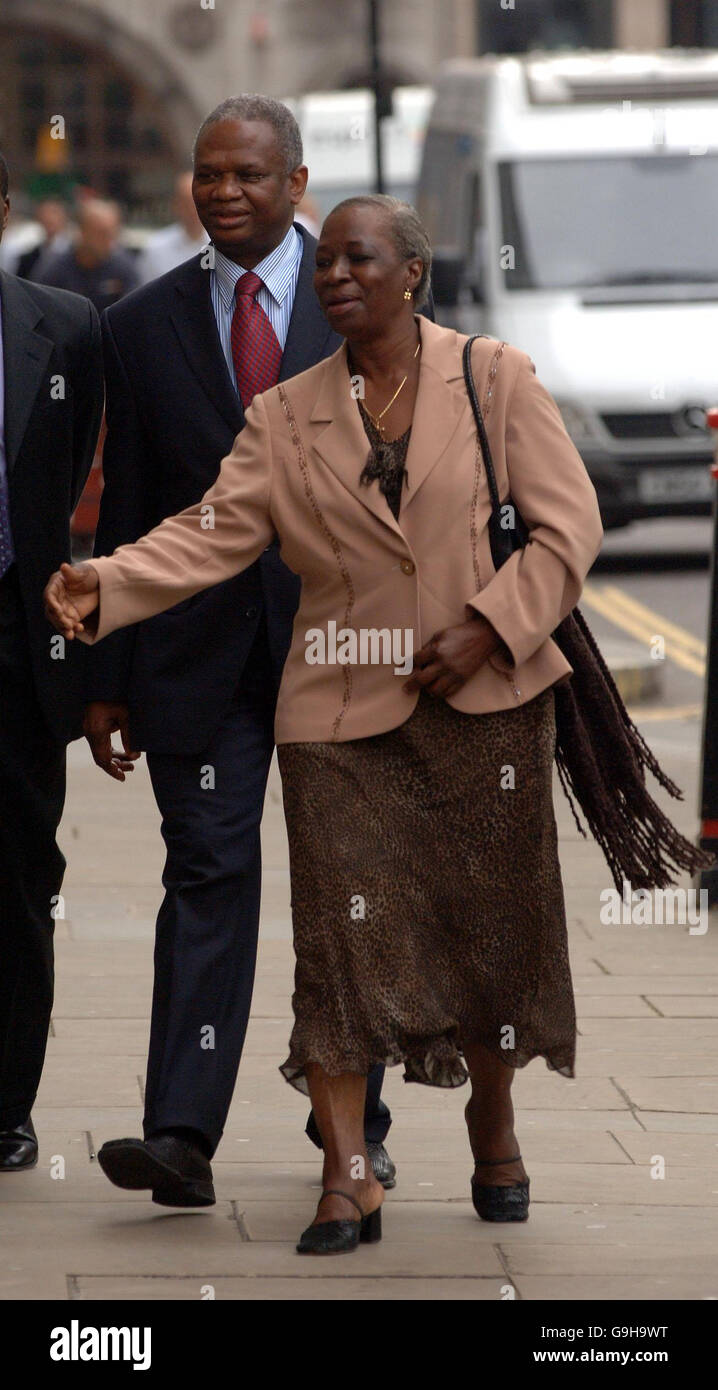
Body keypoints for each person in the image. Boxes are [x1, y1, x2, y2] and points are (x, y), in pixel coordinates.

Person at [45, 194, 604, 1254]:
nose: (338, 275)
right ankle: (346, 1171)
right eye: (331, 261)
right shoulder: (284, 412)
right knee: (341, 947)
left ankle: (493, 1121)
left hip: (479, 707)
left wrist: (489, 627)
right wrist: (105, 581)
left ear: (411, 276)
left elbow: (568, 526)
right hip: (338, 711)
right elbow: (210, 532)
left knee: (488, 937)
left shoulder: (494, 379)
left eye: (361, 259)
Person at [81, 97, 413, 1211]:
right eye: (206, 174)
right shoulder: (138, 324)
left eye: (247, 176)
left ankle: (357, 1135)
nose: (223, 191)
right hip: (196, 662)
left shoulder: (368, 295)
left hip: (348, 651)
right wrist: (107, 678)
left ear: (296, 183)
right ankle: (178, 1132)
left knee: (349, 895)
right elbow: (127, 504)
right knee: (208, 876)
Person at [0, 152, 103, 1172]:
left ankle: (7, 1099)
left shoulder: (65, 327)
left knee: (21, 878)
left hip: (12, 643)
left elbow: (64, 487)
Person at [35, 198, 139, 314]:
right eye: (101, 233)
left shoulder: (124, 268)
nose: (109, 241)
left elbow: (133, 313)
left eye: (112, 233)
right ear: (82, 231)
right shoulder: (55, 269)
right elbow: (39, 309)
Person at [137, 172, 207, 284]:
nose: (193, 209)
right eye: (187, 202)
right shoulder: (155, 249)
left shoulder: (224, 246)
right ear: (176, 204)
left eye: (198, 201)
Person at [14, 200, 71, 280]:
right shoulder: (28, 258)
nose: (49, 218)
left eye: (54, 213)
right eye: (45, 215)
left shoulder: (75, 255)